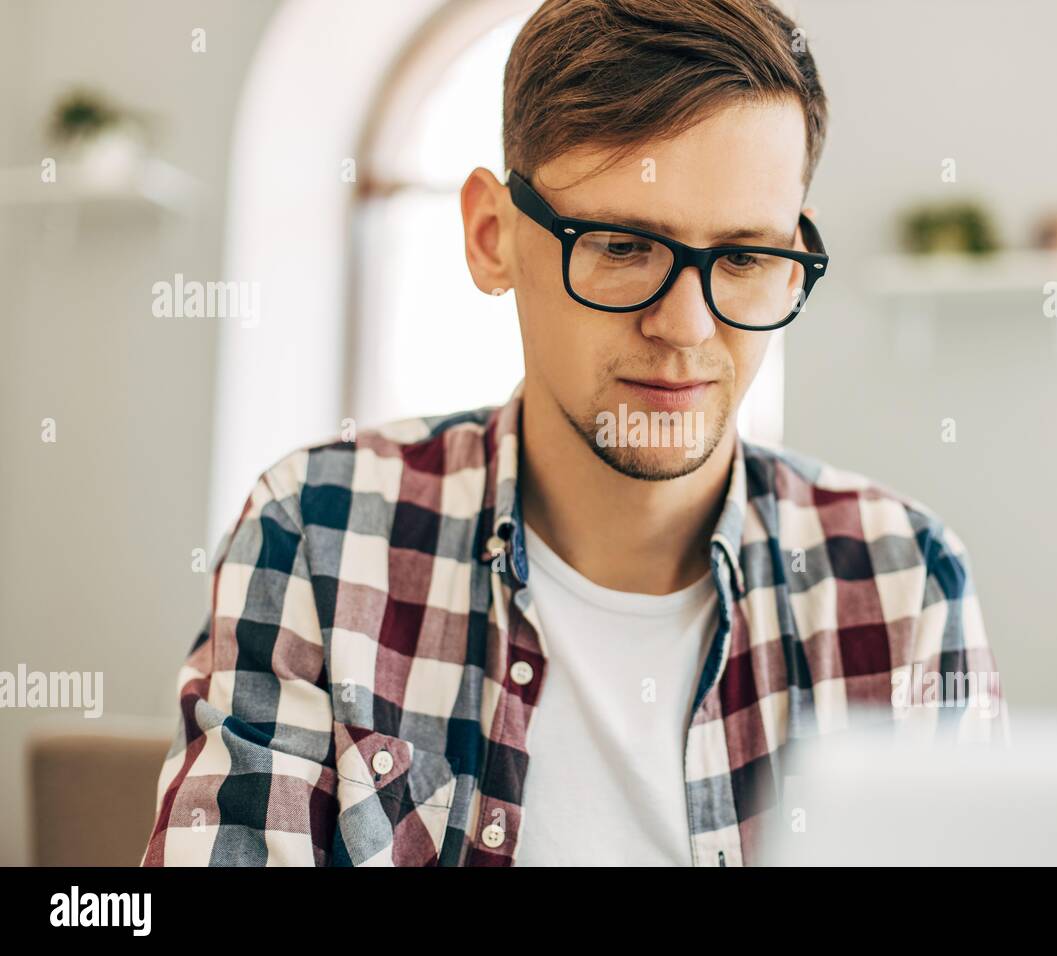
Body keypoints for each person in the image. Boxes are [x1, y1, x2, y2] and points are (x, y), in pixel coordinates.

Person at [142, 0, 1004, 869]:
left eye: (743, 258)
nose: (687, 327)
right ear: (493, 237)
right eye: (625, 246)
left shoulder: (902, 584)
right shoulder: (318, 536)